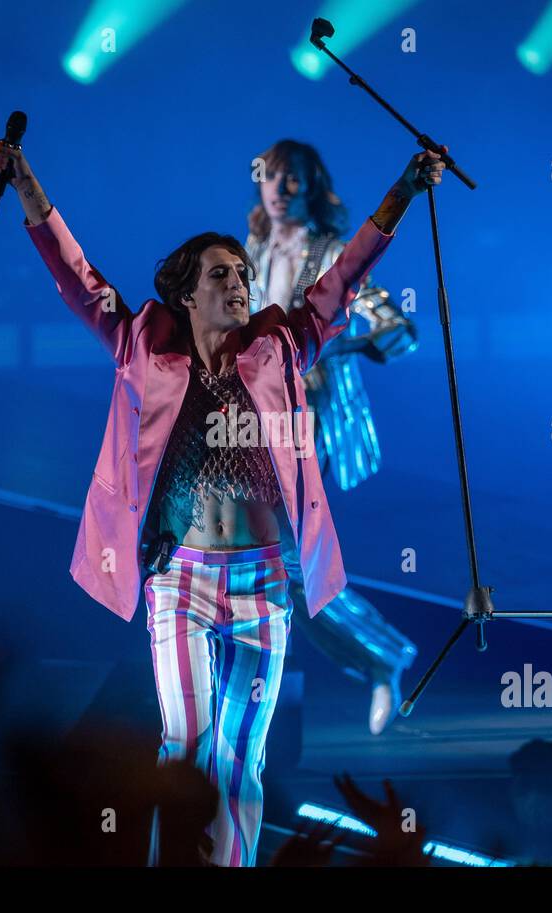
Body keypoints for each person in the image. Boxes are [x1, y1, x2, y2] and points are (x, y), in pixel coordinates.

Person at [0, 137, 446, 866]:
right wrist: (26, 186)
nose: (240, 282)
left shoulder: (279, 346)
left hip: (264, 582)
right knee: (186, 746)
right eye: (222, 273)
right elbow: (79, 280)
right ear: (185, 291)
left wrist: (404, 189)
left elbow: (345, 276)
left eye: (242, 271)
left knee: (243, 761)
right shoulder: (143, 342)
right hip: (182, 581)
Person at [246, 140, 419, 735]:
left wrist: (332, 344)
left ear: (310, 186)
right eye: (270, 176)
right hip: (258, 423)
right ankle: (379, 658)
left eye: (292, 178)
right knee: (282, 567)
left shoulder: (332, 253)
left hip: (313, 424)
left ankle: (382, 658)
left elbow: (399, 328)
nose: (279, 188)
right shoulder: (250, 250)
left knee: (287, 562)